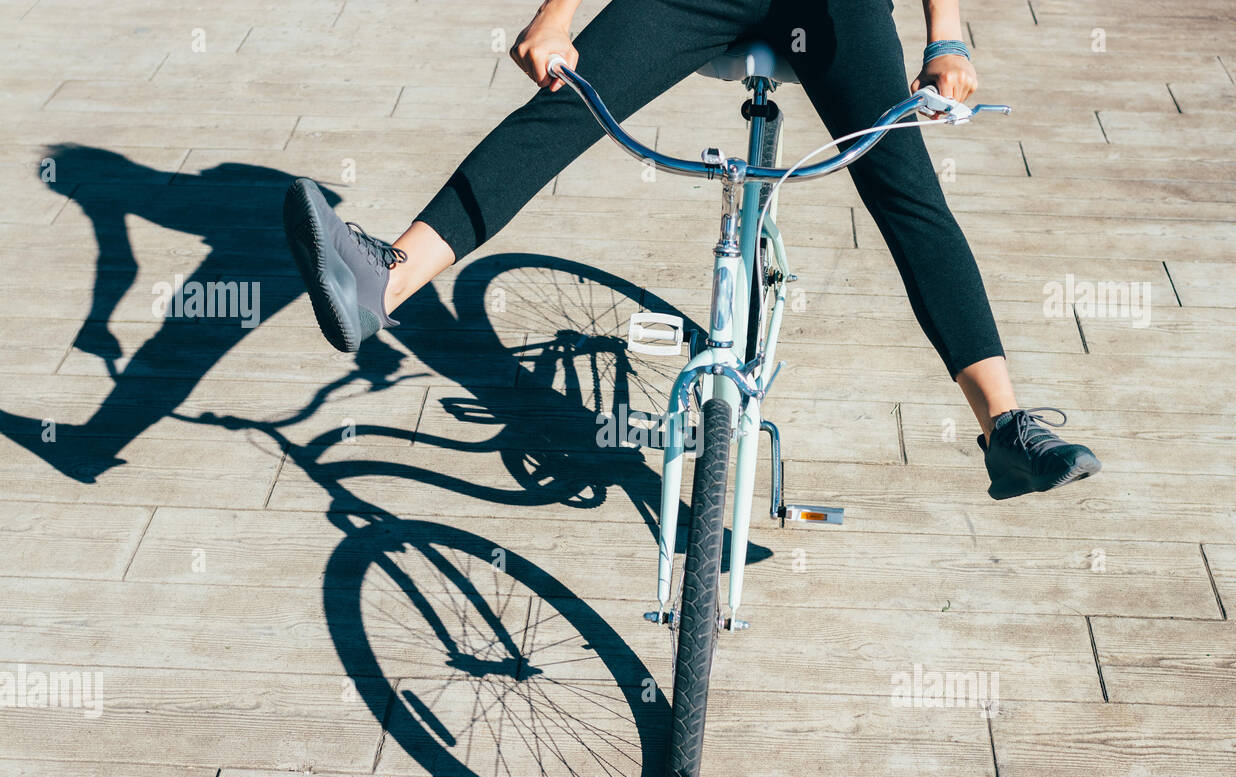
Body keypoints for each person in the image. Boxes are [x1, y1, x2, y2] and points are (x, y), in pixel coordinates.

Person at [282, 0, 1100, 499]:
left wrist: (946, 36)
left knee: (904, 187)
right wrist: (559, 13)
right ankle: (383, 281)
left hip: (835, 5)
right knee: (566, 108)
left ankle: (1006, 430)